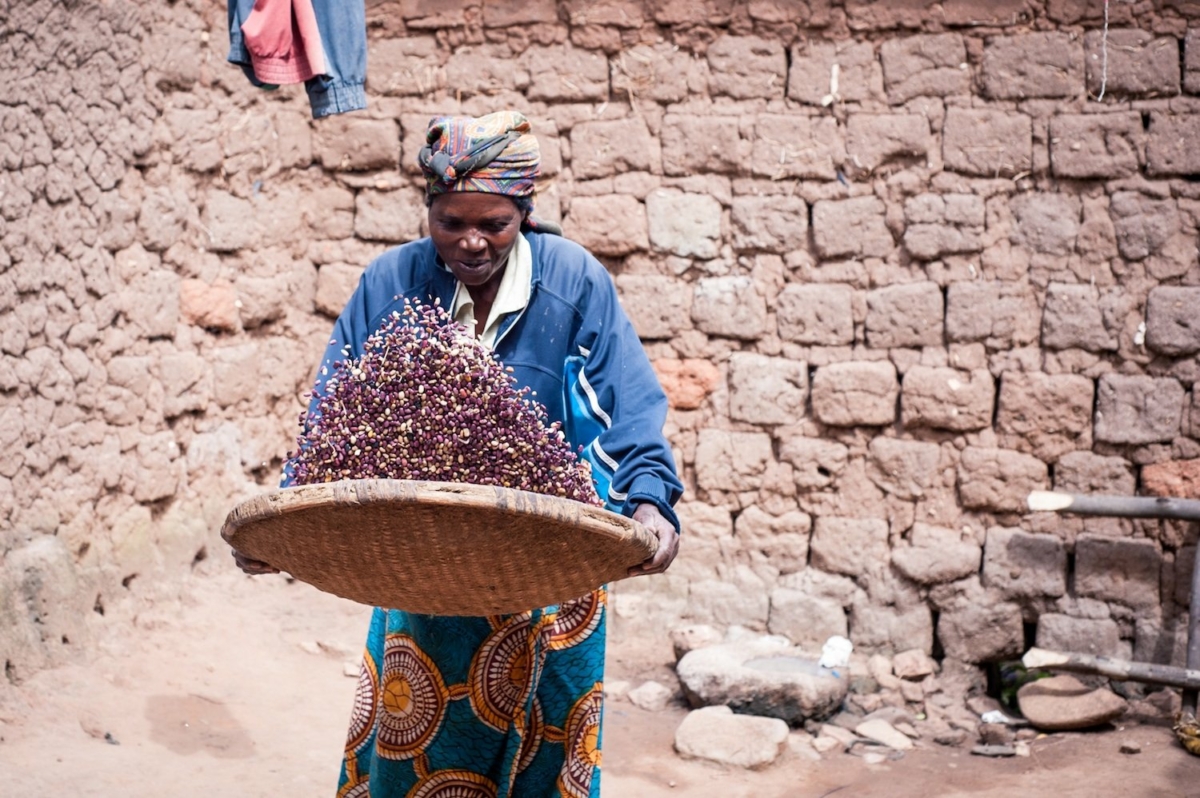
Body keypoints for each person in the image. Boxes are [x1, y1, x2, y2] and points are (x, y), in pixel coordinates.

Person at [233, 110, 683, 798]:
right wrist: (288, 525)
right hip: (423, 556)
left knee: (549, 741)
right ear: (428, 213)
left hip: (553, 558)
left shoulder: (573, 281)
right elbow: (333, 412)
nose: (471, 242)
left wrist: (652, 503)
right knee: (426, 737)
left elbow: (626, 407)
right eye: (451, 224)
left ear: (524, 216)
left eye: (494, 224)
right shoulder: (390, 283)